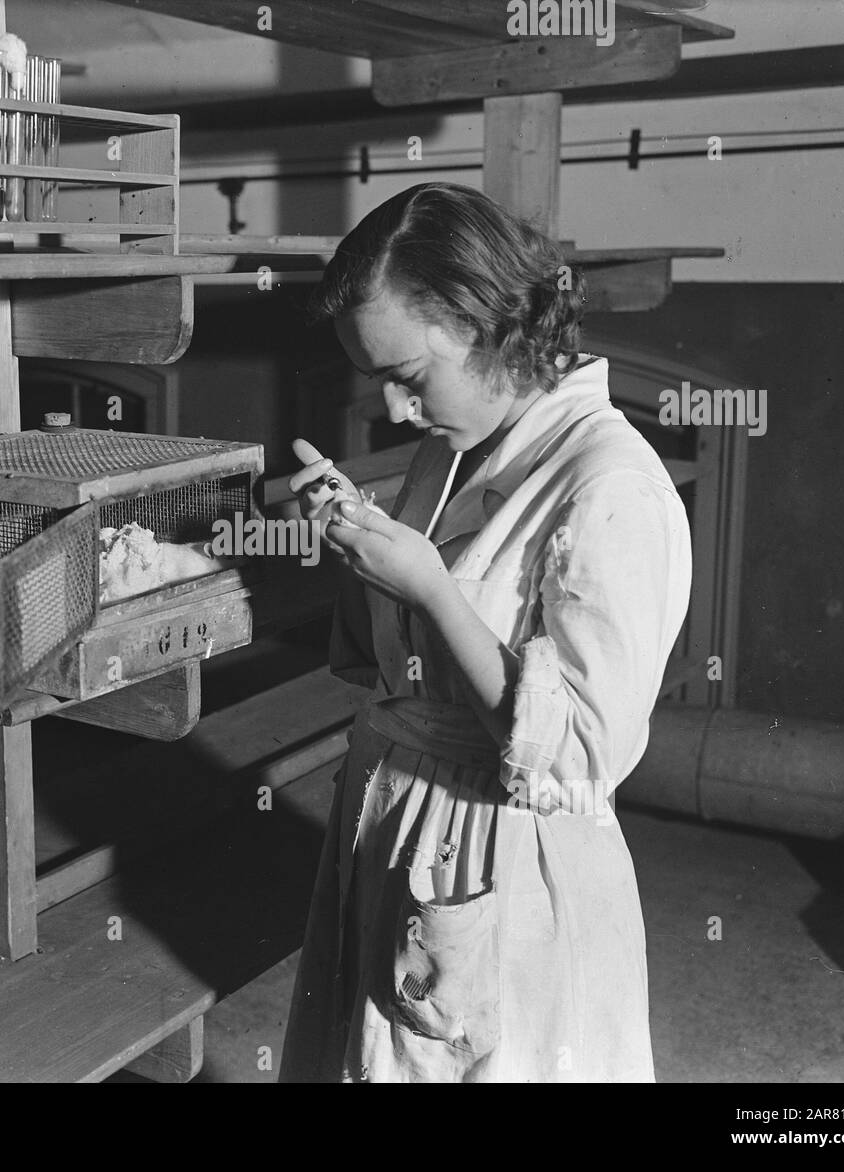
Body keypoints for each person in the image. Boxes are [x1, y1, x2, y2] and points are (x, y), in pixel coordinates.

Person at [279, 182, 692, 1083]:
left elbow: (578, 761)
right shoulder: (453, 448)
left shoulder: (611, 487)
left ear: (486, 325)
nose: (396, 409)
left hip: (508, 865)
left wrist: (431, 588)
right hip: (405, 830)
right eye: (381, 382)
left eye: (408, 375)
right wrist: (360, 545)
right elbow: (392, 668)